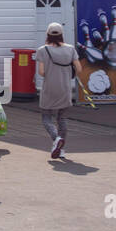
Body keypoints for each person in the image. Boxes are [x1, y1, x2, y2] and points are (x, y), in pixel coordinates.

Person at [36, 22, 79, 159]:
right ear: (61, 34)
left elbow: (41, 72)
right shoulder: (71, 49)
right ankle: (61, 149)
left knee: (46, 117)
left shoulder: (42, 50)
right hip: (65, 88)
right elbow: (79, 69)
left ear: (48, 34)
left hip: (49, 88)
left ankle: (56, 139)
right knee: (62, 118)